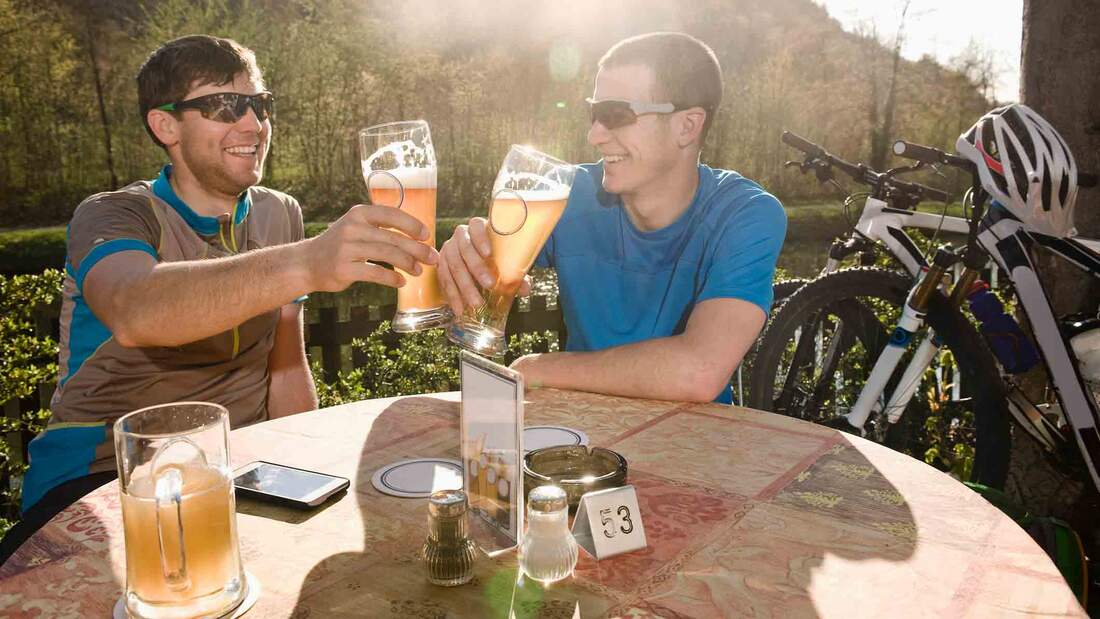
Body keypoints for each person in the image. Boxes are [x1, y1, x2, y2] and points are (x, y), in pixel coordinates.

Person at [15, 36, 437, 522]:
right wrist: (307, 262)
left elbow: (285, 367)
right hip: (104, 475)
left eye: (261, 105)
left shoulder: (280, 213)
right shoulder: (114, 215)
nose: (254, 124)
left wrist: (307, 464)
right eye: (223, 105)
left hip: (241, 468)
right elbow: (136, 310)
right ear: (165, 125)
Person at [437, 32, 786, 404]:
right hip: (579, 438)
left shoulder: (746, 214)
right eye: (594, 113)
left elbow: (698, 372)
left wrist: (539, 369)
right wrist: (458, 261)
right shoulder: (566, 197)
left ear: (687, 126)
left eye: (616, 114)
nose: (594, 135)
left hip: (693, 442)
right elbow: (484, 270)